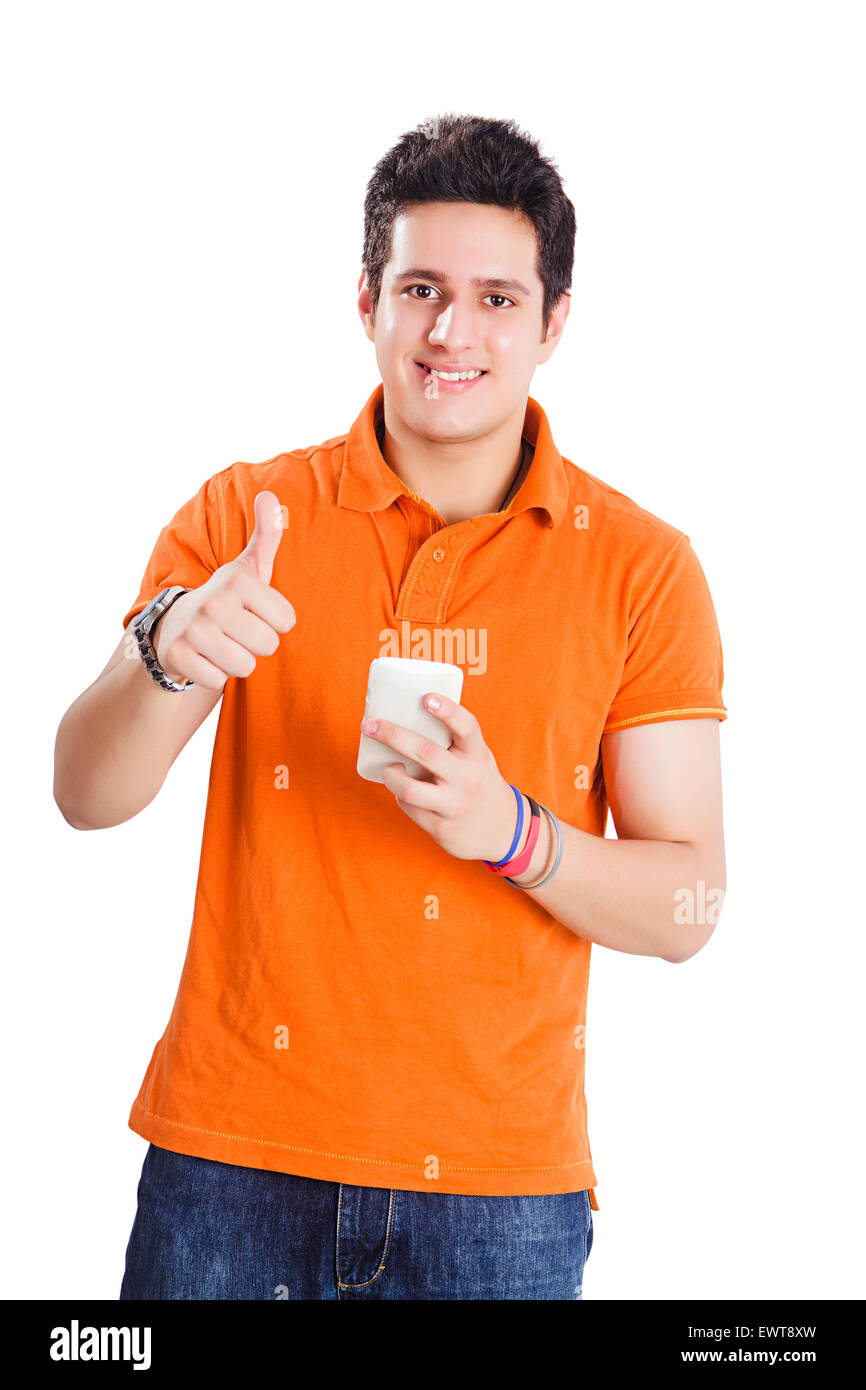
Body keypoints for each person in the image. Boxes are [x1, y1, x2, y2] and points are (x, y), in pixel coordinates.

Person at [54, 113, 727, 1301]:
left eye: (496, 299)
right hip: (227, 1165)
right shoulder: (244, 518)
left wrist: (513, 834)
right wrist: (170, 653)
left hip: (499, 1197)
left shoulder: (640, 566)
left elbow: (687, 901)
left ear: (553, 321)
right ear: (365, 298)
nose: (450, 332)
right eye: (419, 287)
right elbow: (85, 795)